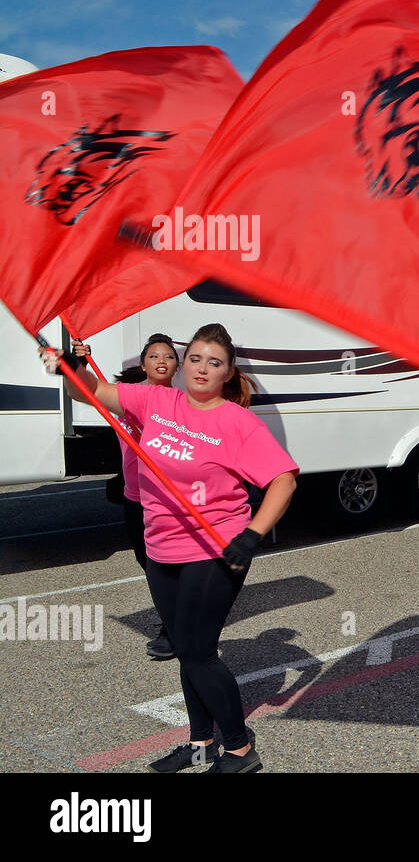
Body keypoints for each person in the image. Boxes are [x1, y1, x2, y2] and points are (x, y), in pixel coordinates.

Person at [45, 323, 298, 773]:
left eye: (214, 363)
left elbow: (283, 479)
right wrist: (73, 364)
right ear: (184, 366)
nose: (202, 369)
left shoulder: (237, 421)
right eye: (196, 359)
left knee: (199, 651)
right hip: (162, 547)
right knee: (184, 648)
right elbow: (89, 393)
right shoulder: (157, 401)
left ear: (227, 372)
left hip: (217, 546)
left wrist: (253, 532)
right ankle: (201, 744)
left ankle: (239, 749)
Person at [73, 334, 182, 659]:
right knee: (146, 562)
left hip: (167, 499)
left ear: (176, 365)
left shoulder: (181, 401)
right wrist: (78, 362)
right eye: (154, 356)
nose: (161, 360)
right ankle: (175, 618)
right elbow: (84, 392)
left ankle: (173, 628)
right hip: (134, 496)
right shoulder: (129, 397)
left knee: (166, 565)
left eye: (168, 356)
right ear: (143, 364)